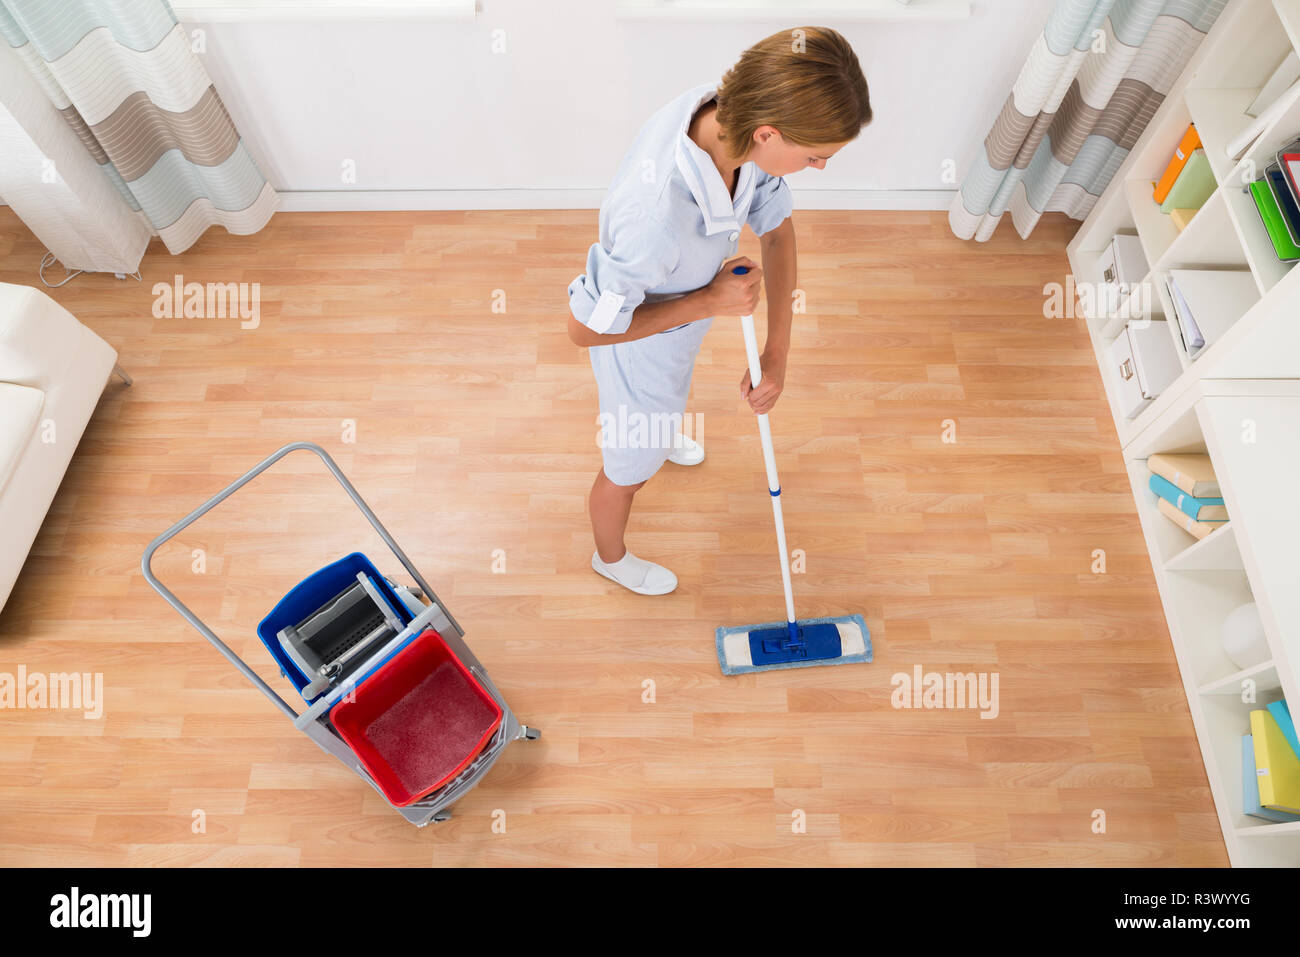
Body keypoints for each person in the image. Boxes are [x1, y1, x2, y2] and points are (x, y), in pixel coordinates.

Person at [567, 26, 872, 595]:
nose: (820, 167)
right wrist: (709, 300)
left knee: (671, 400)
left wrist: (776, 353)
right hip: (634, 344)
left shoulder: (730, 114)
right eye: (814, 157)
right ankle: (610, 557)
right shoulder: (654, 218)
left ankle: (663, 429)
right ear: (768, 133)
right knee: (629, 468)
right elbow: (584, 330)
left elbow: (777, 235)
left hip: (678, 313)